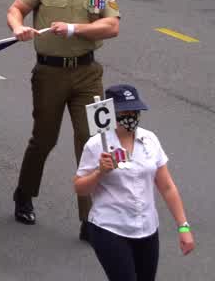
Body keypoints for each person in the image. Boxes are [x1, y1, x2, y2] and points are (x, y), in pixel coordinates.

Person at [7, 0, 120, 238]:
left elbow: (112, 26)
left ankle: (92, 218)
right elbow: (16, 9)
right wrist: (18, 28)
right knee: (44, 138)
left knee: (95, 141)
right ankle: (24, 194)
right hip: (50, 72)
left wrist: (75, 29)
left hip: (88, 72)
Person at [75, 84, 196, 279]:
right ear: (111, 112)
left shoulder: (150, 140)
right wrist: (100, 172)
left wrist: (183, 227)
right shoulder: (97, 145)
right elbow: (80, 188)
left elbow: (167, 187)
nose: (131, 116)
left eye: (135, 110)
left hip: (147, 230)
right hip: (110, 229)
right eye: (125, 111)